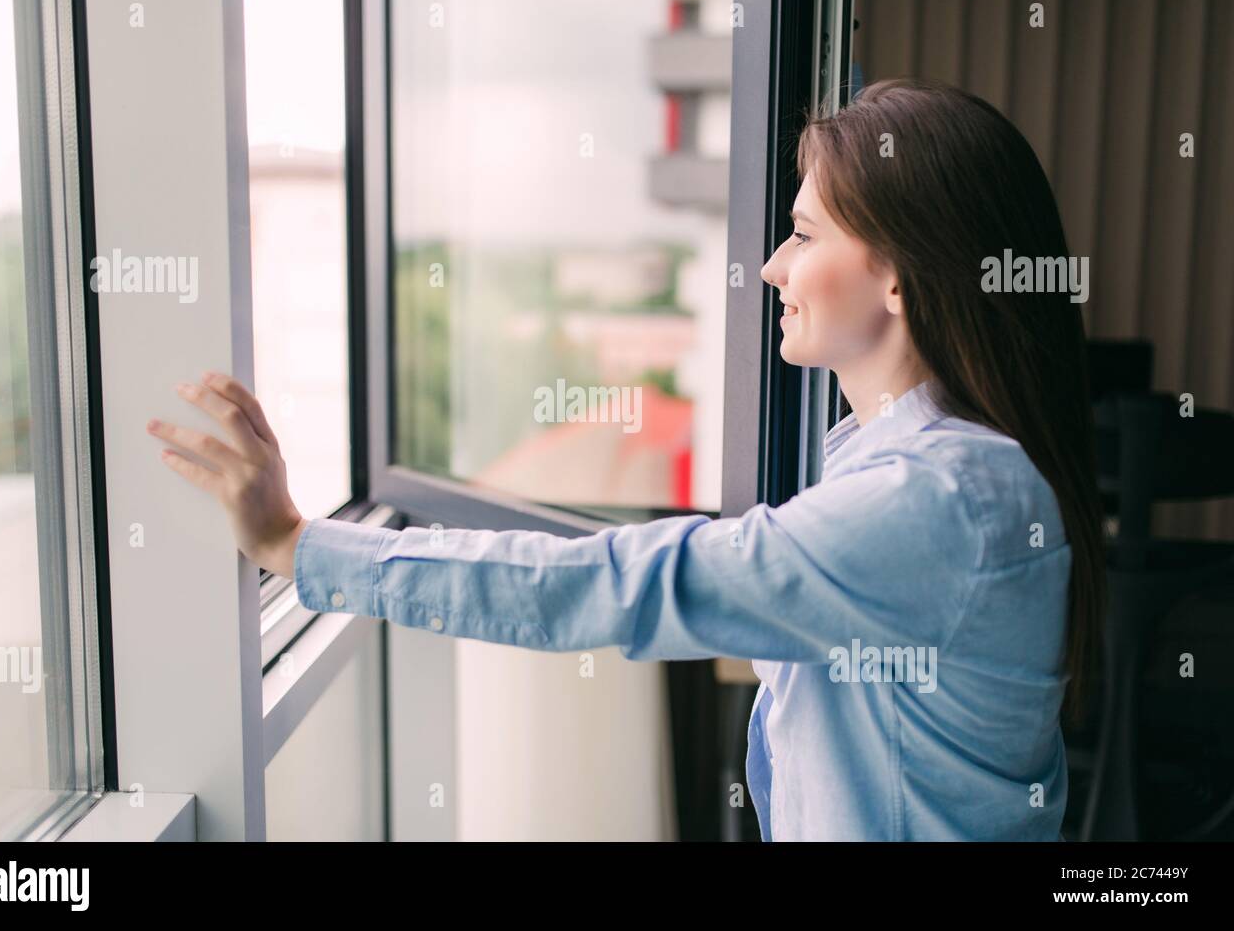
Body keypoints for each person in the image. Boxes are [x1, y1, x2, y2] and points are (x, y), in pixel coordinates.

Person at [146, 79, 1105, 841]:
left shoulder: (941, 499)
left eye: (805, 235)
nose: (772, 265)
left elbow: (618, 584)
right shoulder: (890, 466)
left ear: (899, 274)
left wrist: (300, 545)